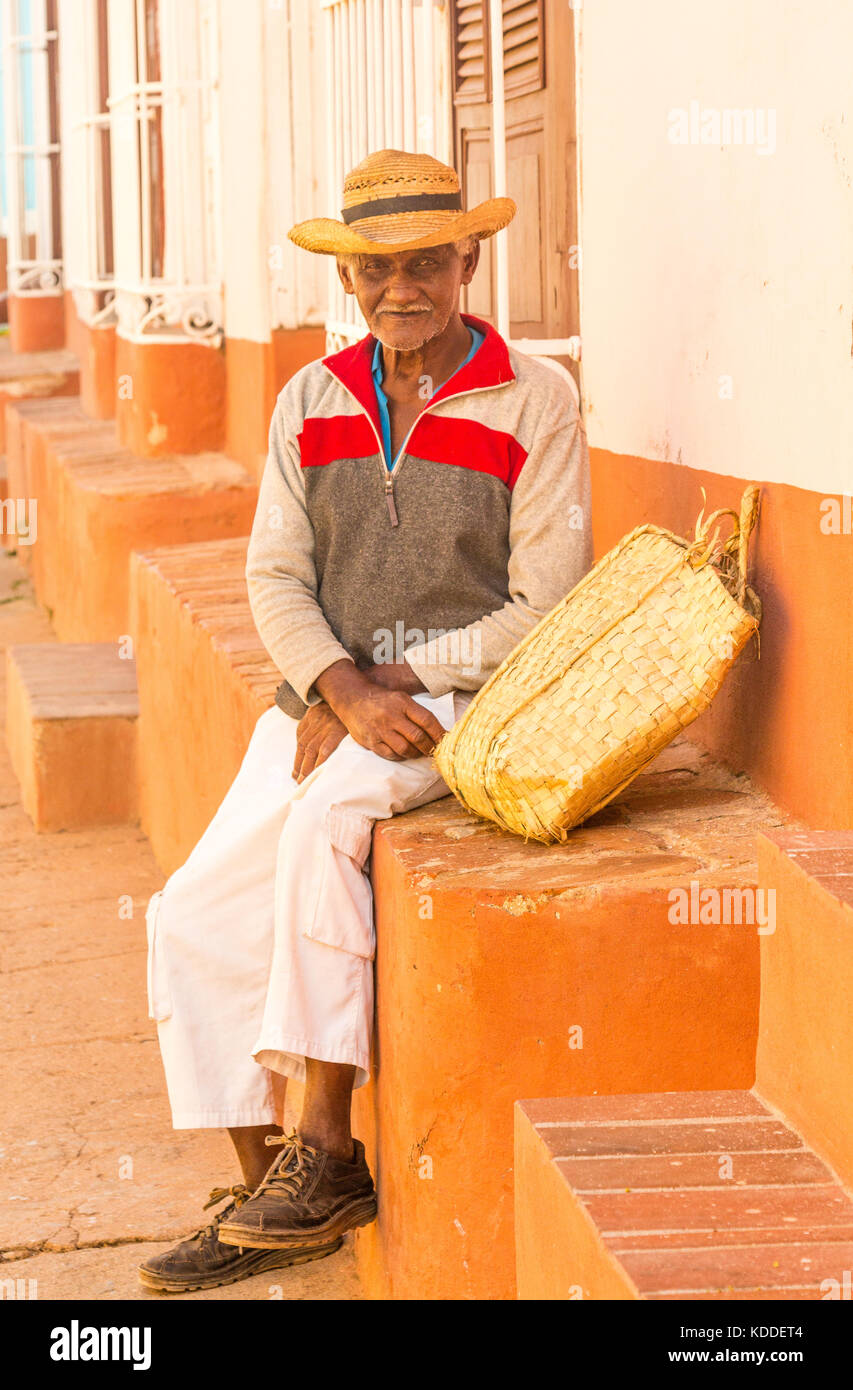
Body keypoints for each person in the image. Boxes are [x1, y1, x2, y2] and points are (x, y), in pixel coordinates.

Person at [138, 148, 593, 1293]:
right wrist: (337, 685)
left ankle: (328, 1145)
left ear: (466, 259)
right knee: (188, 914)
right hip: (332, 697)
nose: (405, 289)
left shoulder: (535, 399)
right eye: (380, 268)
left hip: (460, 703)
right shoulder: (310, 397)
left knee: (324, 828)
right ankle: (266, 1188)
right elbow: (272, 577)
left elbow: (543, 604)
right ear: (349, 278)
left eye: (428, 263)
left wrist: (390, 684)